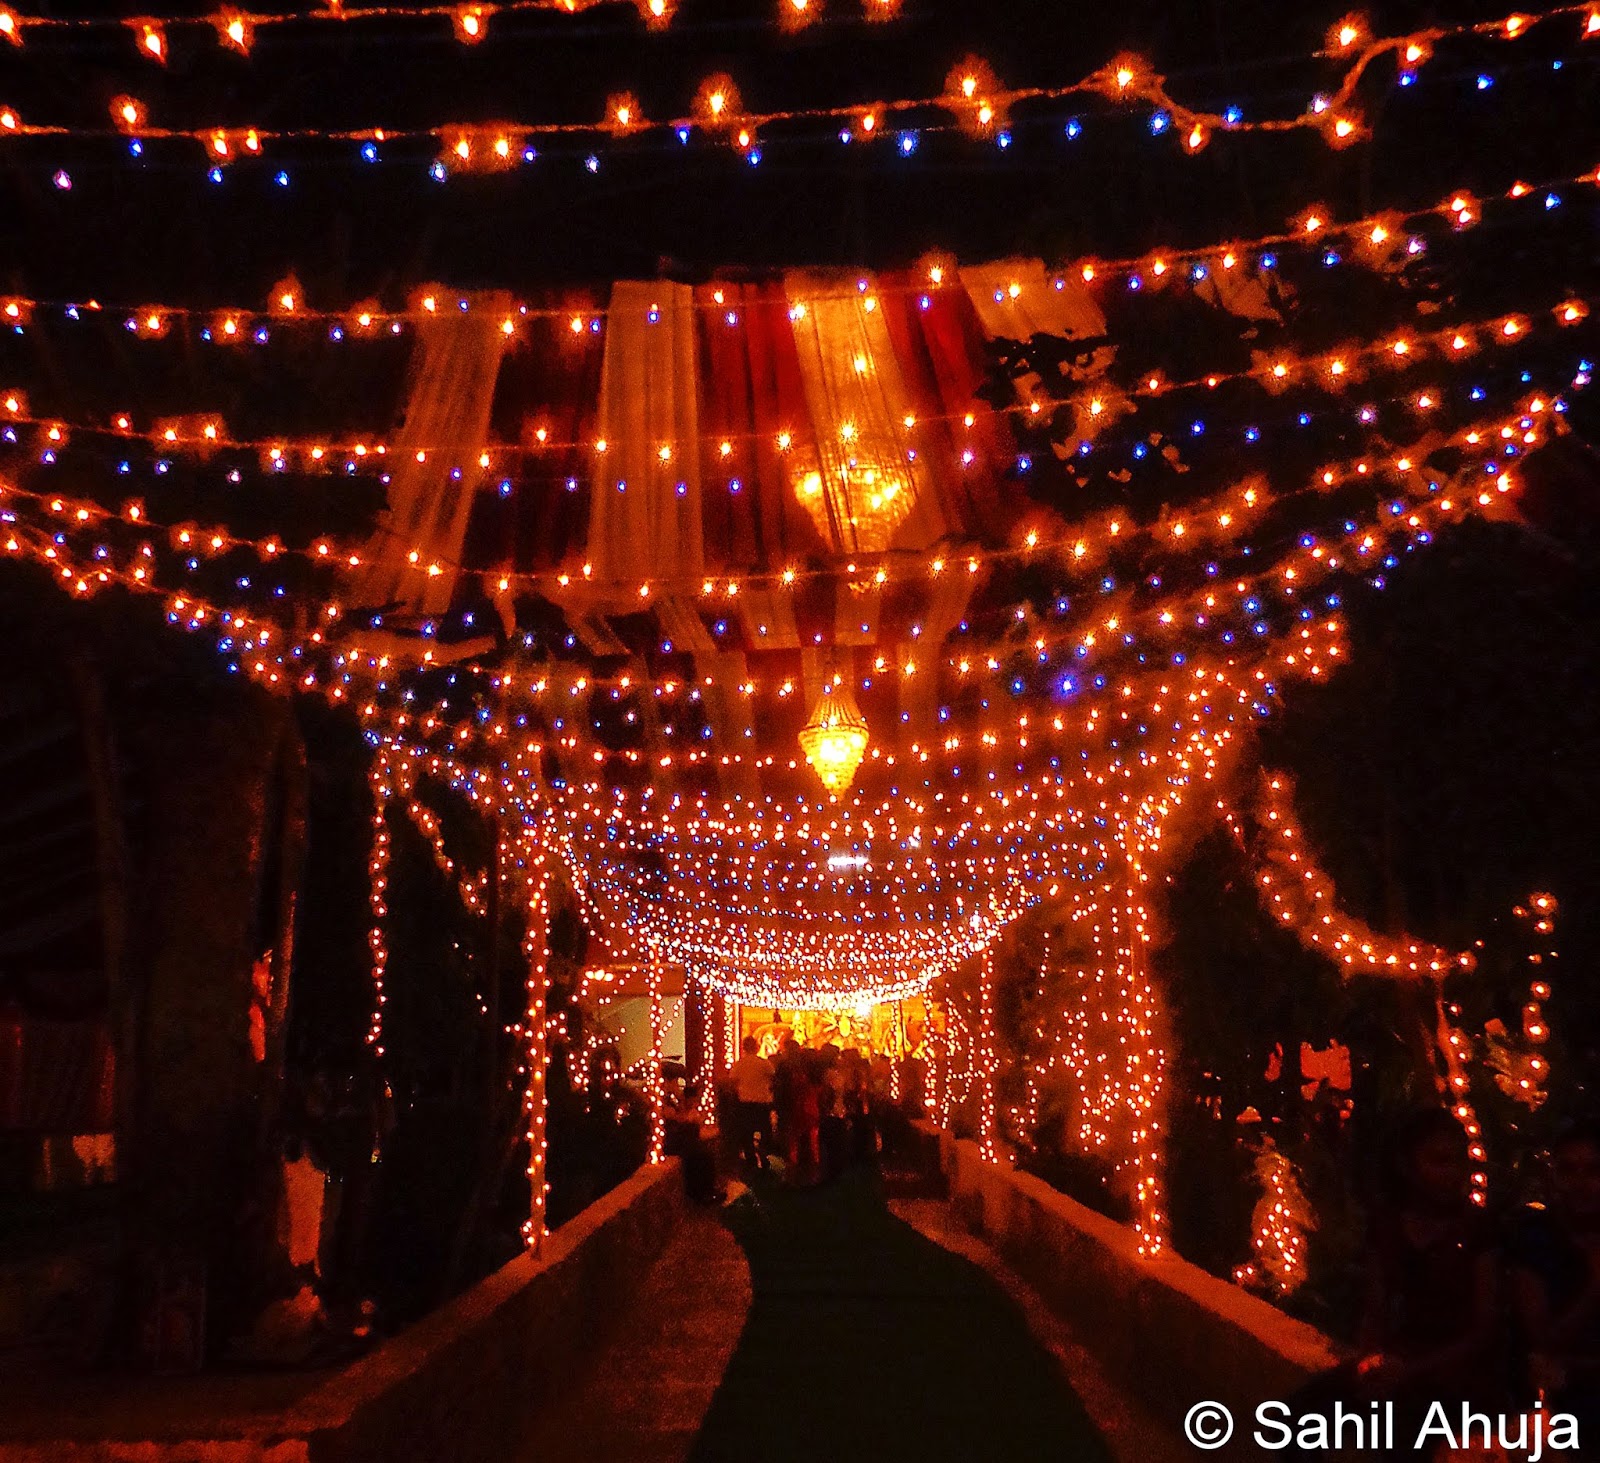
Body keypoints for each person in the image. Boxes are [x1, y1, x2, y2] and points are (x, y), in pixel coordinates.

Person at [1285, 1108, 1504, 1460]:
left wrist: (1411, 1371)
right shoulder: (1388, 1228)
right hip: (1401, 1361)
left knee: (1405, 1434)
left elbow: (1483, 1328)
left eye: (1458, 1161)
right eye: (1439, 1161)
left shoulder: (1477, 1229)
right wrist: (1369, 1364)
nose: (1453, 1174)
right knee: (1300, 1415)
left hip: (1457, 1371)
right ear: (1408, 1166)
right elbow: (1376, 1310)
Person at [1510, 1122, 1600, 1436]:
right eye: (1569, 1170)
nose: (1581, 1183)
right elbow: (1540, 1338)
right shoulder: (1536, 1236)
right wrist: (1592, 1291)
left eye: (1592, 1171)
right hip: (1559, 1393)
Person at [663, 1079, 722, 1204]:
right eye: (673, 1081)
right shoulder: (663, 1104)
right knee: (699, 1157)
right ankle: (701, 1194)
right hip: (673, 1143)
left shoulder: (675, 1100)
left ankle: (708, 1191)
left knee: (704, 1155)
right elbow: (676, 1119)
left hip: (682, 1140)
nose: (675, 1084)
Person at [729, 1035, 775, 1171]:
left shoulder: (740, 1064)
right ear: (756, 1047)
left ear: (744, 1048)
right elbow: (773, 1076)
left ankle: (751, 1160)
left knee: (746, 1134)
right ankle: (764, 1156)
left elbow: (732, 1081)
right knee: (765, 1132)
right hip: (761, 1103)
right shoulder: (763, 1063)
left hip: (745, 1104)